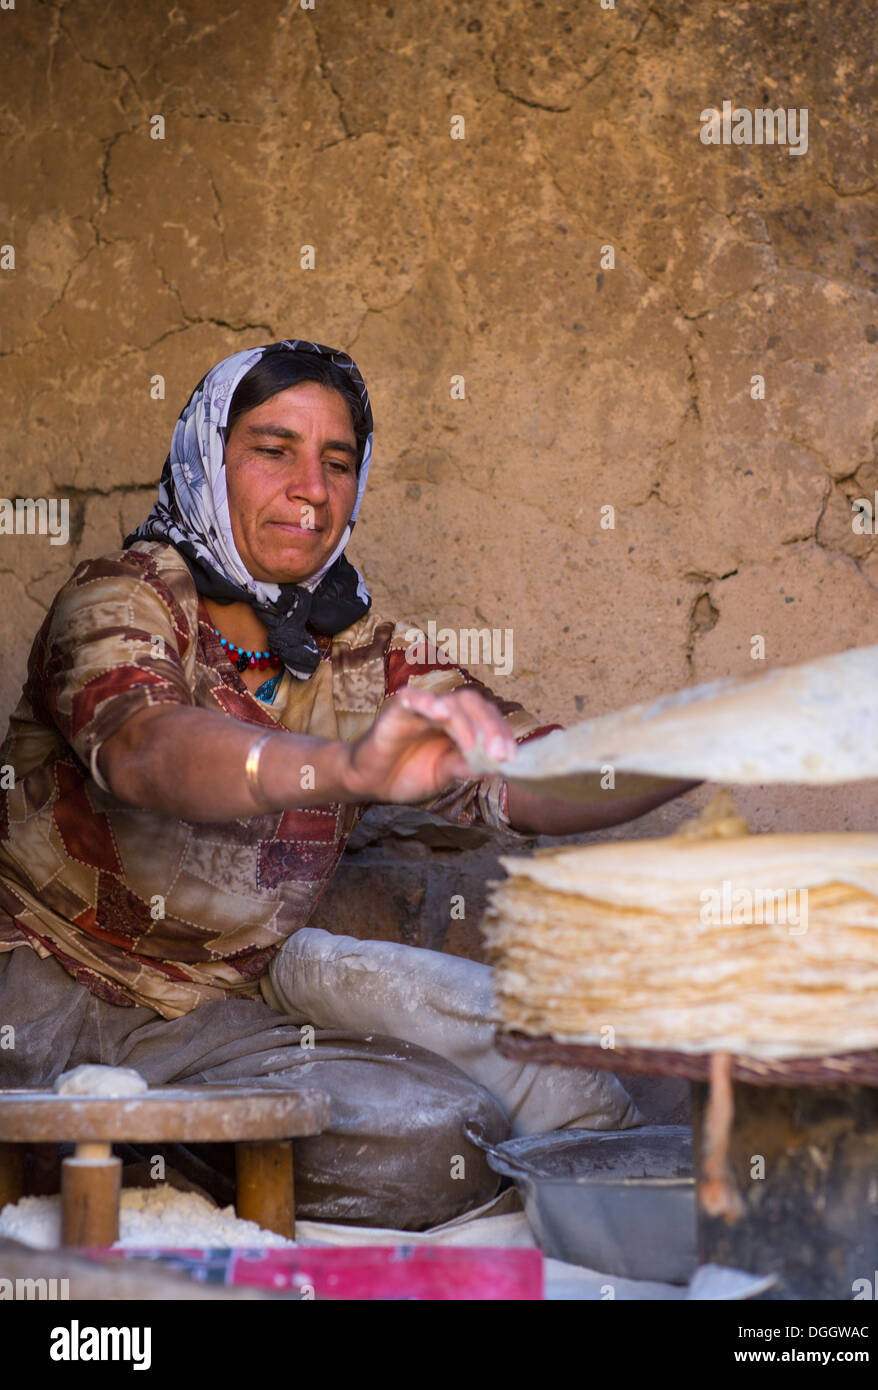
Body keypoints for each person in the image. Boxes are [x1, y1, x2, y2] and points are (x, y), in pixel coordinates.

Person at [0, 340, 699, 1229]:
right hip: (42, 989)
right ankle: (120, 1150)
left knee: (441, 1137)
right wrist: (342, 766)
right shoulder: (121, 601)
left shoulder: (363, 656)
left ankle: (132, 1151)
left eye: (338, 462)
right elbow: (144, 748)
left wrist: (726, 740)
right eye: (272, 449)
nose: (311, 489)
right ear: (206, 461)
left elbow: (530, 777)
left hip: (212, 1017)